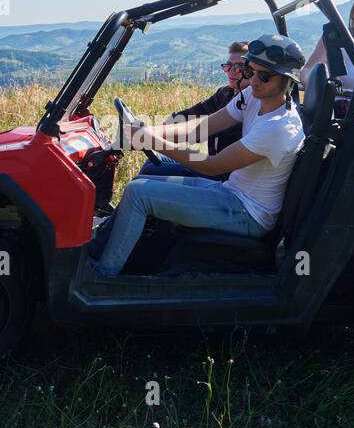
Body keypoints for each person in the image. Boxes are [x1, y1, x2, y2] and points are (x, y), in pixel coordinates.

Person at [94, 35, 306, 277]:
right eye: (251, 71)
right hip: (231, 193)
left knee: (138, 194)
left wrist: (152, 142)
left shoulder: (278, 127)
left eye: (264, 76)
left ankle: (102, 275)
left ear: (288, 81)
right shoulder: (253, 98)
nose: (254, 80)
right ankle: (115, 252)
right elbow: (201, 127)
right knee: (142, 183)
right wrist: (149, 131)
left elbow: (211, 166)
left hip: (247, 214)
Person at [138, 40, 250, 180]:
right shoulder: (225, 93)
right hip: (210, 160)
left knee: (150, 171)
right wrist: (156, 128)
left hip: (221, 171)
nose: (232, 72)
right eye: (228, 66)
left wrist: (149, 136)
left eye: (239, 67)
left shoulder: (247, 105)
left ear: (250, 70)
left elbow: (200, 130)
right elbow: (192, 114)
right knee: (152, 162)